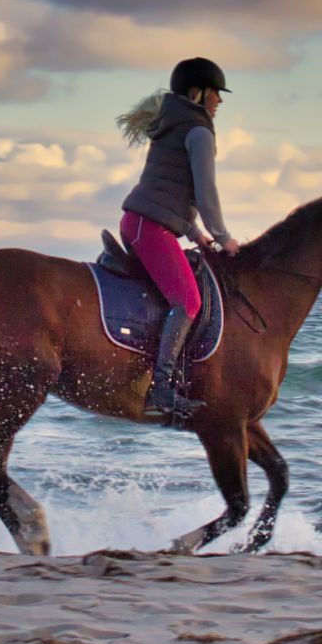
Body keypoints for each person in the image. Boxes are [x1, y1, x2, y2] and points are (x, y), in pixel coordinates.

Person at [116, 58, 240, 420]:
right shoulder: (198, 131)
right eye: (216, 93)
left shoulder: (174, 124)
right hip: (149, 227)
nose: (220, 101)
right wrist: (223, 237)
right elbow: (206, 192)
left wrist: (195, 233)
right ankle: (160, 391)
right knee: (187, 300)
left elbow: (169, 190)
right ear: (197, 93)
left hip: (142, 222)